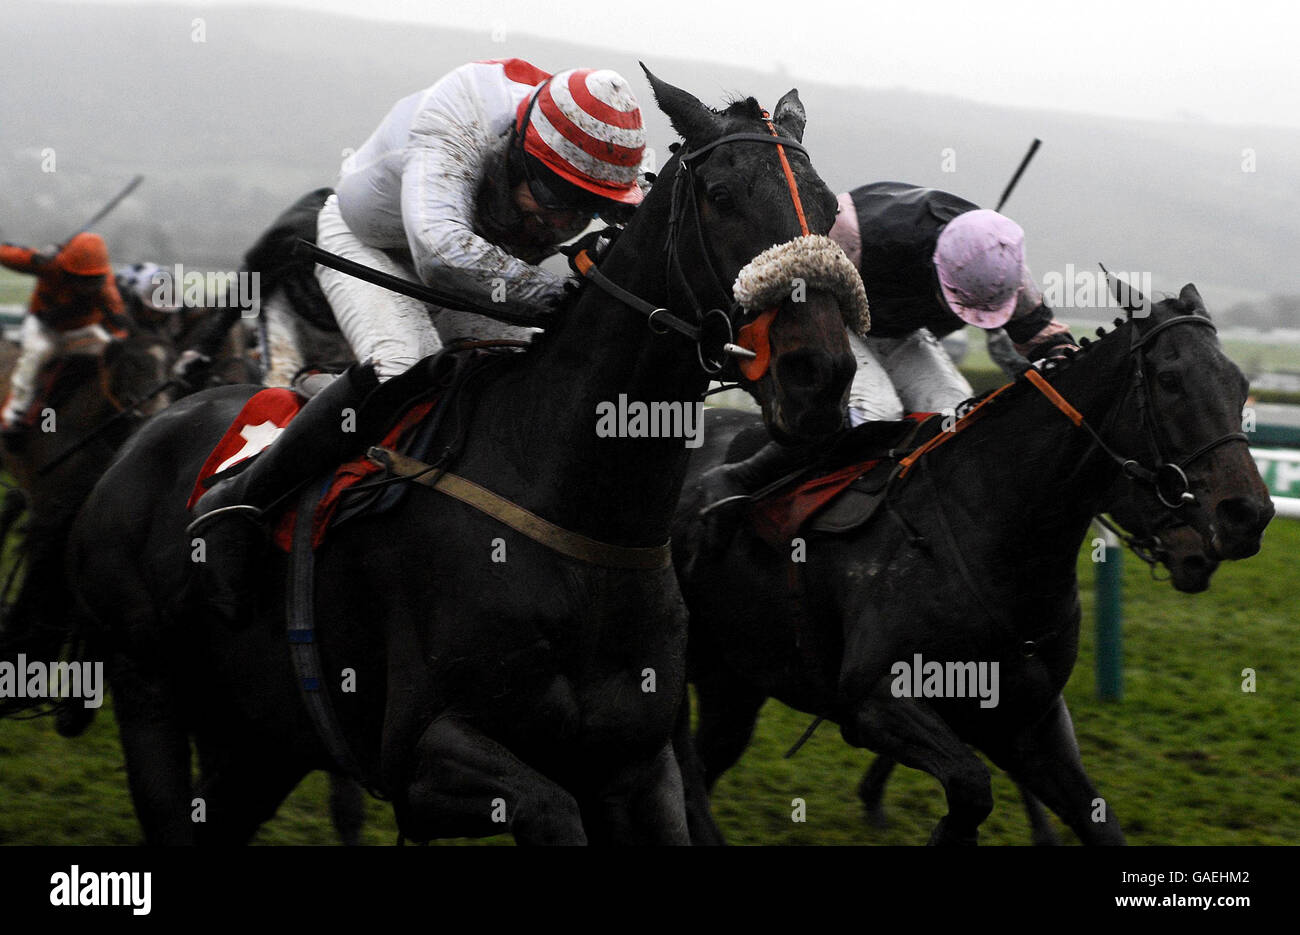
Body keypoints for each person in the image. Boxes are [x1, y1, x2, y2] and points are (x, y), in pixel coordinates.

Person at [189, 59, 648, 620]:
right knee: (409, 372)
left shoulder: (607, 156)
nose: (560, 221)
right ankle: (238, 503)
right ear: (518, 147)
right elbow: (440, 253)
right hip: (372, 244)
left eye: (587, 206)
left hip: (478, 265)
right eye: (553, 193)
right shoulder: (462, 115)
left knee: (515, 381)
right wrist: (568, 301)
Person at [701, 182, 1077, 503]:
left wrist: (1072, 369)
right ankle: (747, 475)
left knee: (953, 413)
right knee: (876, 411)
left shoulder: (1004, 266)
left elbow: (1047, 339)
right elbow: (789, 289)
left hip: (896, 329)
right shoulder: (854, 235)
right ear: (936, 266)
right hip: (832, 316)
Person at [0, 233, 127, 438]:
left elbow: (117, 316)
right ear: (67, 270)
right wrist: (35, 257)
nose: (87, 287)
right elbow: (4, 253)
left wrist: (122, 336)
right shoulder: (50, 264)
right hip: (43, 327)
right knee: (38, 353)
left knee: (109, 351)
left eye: (93, 280)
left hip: (81, 331)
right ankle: (15, 412)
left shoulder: (106, 286)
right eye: (82, 279)